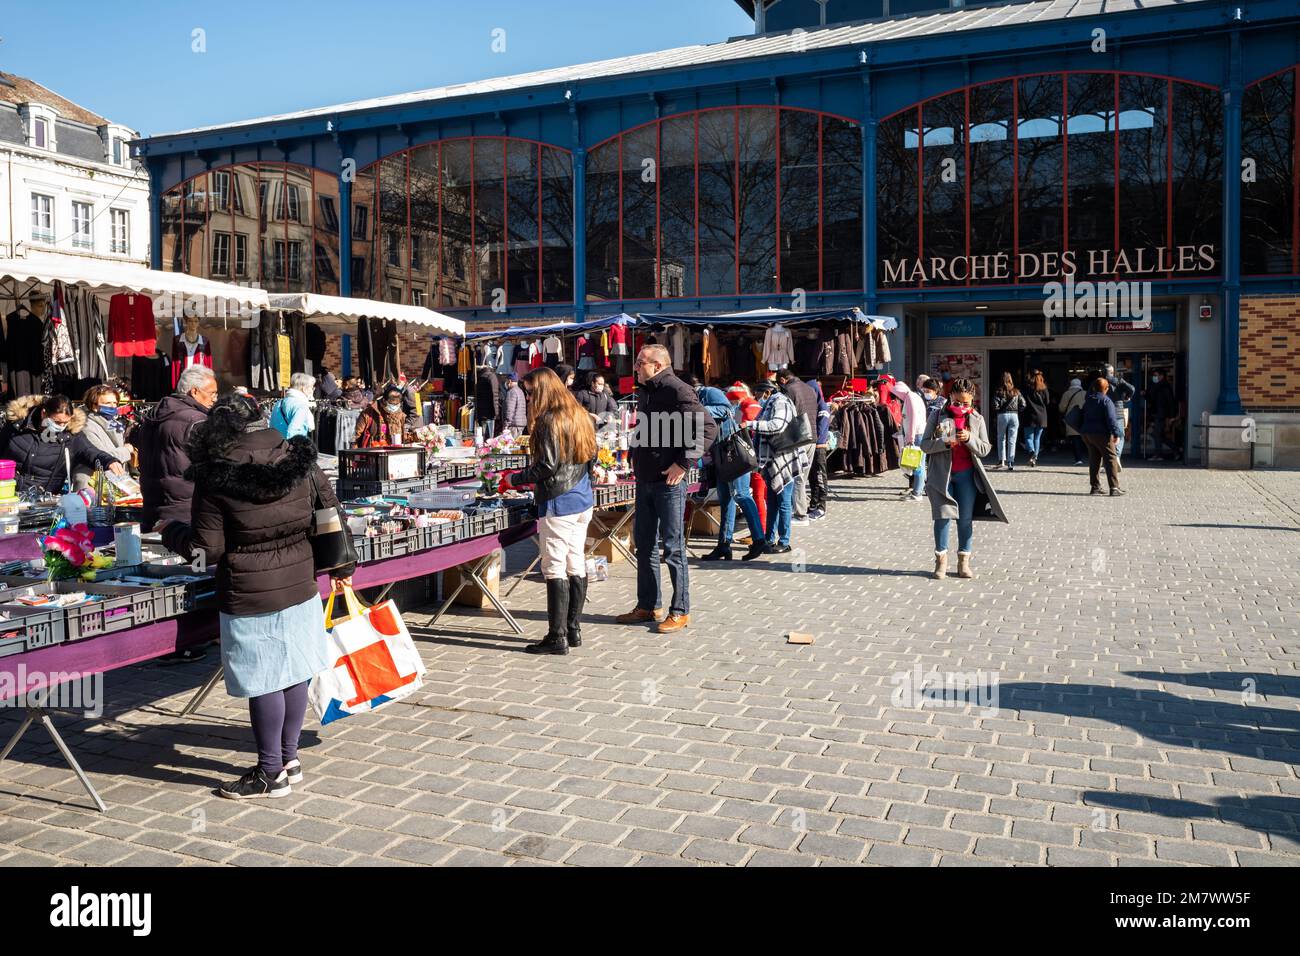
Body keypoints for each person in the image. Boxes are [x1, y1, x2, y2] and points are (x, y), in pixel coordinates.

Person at [159, 395, 352, 799]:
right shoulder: (300, 459)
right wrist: (343, 570)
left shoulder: (216, 477)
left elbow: (204, 552)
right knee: (295, 669)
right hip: (300, 581)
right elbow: (331, 516)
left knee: (265, 678)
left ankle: (270, 772)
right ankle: (289, 758)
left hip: (249, 590)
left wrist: (171, 532)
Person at [616, 345, 715, 633]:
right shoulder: (647, 389)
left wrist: (683, 464)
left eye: (640, 362)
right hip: (645, 479)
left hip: (669, 483)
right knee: (644, 545)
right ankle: (648, 605)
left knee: (673, 547)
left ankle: (680, 610)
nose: (635, 367)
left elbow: (708, 429)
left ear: (657, 365)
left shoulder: (678, 390)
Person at [502, 368, 595, 655]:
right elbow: (591, 456)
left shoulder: (548, 420)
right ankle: (573, 629)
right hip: (582, 498)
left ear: (541, 390)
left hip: (559, 500)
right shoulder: (578, 413)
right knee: (575, 562)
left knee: (554, 566)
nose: (527, 397)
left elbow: (547, 466)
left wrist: (513, 479)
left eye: (529, 392)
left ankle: (557, 637)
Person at [920, 377, 1008, 580]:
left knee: (965, 519)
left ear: (972, 401)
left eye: (965, 403)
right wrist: (944, 444)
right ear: (950, 397)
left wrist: (970, 439)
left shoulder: (977, 419)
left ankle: (963, 562)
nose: (960, 406)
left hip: (967, 476)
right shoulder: (937, 415)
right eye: (957, 402)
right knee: (942, 517)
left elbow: (985, 448)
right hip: (942, 476)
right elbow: (925, 445)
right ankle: (940, 561)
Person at [137, 365, 218, 531]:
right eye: (212, 393)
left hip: (152, 509)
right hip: (187, 513)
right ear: (194, 391)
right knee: (196, 558)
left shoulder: (150, 418)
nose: (215, 399)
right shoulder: (197, 421)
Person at [0, 394, 124, 494]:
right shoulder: (16, 426)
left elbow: (91, 452)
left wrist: (110, 461)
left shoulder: (71, 435)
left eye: (65, 422)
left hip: (44, 499)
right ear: (44, 413)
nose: (61, 426)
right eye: (57, 422)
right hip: (8, 493)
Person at [699, 385, 762, 562]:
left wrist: (696, 409)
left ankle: (759, 539)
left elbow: (726, 409)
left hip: (733, 453)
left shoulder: (709, 392)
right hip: (719, 455)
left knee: (741, 495)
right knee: (725, 499)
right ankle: (723, 546)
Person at [743, 379, 801, 559]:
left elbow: (778, 425)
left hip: (782, 460)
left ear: (766, 392)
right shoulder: (772, 402)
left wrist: (752, 424)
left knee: (783, 502)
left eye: (758, 394)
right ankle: (769, 538)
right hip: (772, 461)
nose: (756, 398)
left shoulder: (780, 402)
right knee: (773, 501)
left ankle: (784, 541)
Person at [774, 368, 819, 526]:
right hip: (812, 436)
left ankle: (800, 515)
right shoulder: (810, 389)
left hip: (798, 438)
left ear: (783, 380)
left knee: (797, 477)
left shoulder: (789, 390)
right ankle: (800, 509)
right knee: (803, 476)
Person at [73, 385, 135, 490]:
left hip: (112, 484)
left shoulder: (114, 425)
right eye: (107, 403)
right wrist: (126, 451)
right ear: (94, 406)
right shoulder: (86, 426)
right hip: (92, 486)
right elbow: (100, 457)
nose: (112, 406)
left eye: (115, 403)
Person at [727, 382, 767, 536]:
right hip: (758, 455)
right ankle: (764, 531)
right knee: (760, 494)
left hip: (755, 457)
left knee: (758, 495)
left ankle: (761, 532)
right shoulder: (752, 405)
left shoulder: (748, 407)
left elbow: (744, 429)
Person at [1080, 377, 1125, 496]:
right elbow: (1111, 420)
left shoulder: (1089, 400)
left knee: (1094, 460)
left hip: (1087, 433)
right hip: (1101, 434)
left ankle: (1095, 487)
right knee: (1111, 459)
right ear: (1106, 388)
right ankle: (1114, 488)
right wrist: (1116, 433)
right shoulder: (1106, 401)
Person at [891, 380, 927, 502]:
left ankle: (917, 493)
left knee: (917, 464)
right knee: (919, 464)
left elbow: (912, 419)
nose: (897, 397)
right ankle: (919, 490)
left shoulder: (910, 398)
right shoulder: (912, 396)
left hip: (916, 435)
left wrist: (910, 438)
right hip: (918, 434)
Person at [806, 377, 832, 521]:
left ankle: (821, 507)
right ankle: (813, 504)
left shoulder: (822, 408)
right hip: (813, 445)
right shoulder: (816, 406)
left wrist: (818, 443)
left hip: (819, 446)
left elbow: (822, 428)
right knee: (813, 478)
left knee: (820, 477)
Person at [991, 372, 1025, 471]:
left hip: (1002, 415)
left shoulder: (999, 391)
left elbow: (995, 404)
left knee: (1001, 438)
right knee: (1012, 439)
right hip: (1014, 416)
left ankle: (1001, 461)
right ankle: (1011, 462)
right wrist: (1017, 411)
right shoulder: (1016, 392)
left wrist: (998, 410)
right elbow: (1023, 404)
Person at [1102, 363, 1136, 458]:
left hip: (1103, 413)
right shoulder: (1118, 382)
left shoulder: (1099, 382)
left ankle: (1108, 460)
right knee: (1120, 436)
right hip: (1117, 413)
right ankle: (1115, 457)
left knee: (1106, 437)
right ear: (1112, 372)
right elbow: (1132, 389)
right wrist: (1127, 397)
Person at [270, 372, 316, 441]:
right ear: (304, 388)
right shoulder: (301, 406)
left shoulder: (279, 402)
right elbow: (294, 431)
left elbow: (272, 425)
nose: (312, 391)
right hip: (289, 447)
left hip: (275, 444)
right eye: (312, 388)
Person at [1145, 369, 1178, 460]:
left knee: (1156, 434)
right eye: (1154, 375)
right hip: (1158, 414)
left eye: (1156, 375)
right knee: (1158, 434)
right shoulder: (1156, 386)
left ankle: (1159, 454)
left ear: (1161, 376)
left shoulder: (1164, 387)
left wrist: (1171, 416)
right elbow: (1151, 398)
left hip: (1162, 414)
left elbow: (1170, 402)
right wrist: (1145, 394)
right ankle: (1176, 449)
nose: (1154, 377)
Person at [1022, 370, 1051, 468]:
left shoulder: (1027, 388)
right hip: (1042, 416)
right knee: (1037, 438)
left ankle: (1032, 452)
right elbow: (1047, 401)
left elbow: (1023, 401)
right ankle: (1035, 457)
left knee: (1028, 437)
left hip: (1029, 415)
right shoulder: (1044, 388)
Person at [1058, 378, 1087, 465]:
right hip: (1084, 418)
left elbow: (1061, 408)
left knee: (1076, 438)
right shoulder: (1086, 393)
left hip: (1072, 419)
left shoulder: (1067, 393)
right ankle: (1089, 456)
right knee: (1085, 438)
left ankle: (1078, 459)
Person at [475, 365, 501, 436]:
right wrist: (497, 413)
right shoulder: (491, 377)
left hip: (481, 412)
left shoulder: (478, 378)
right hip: (490, 413)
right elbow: (495, 395)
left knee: (482, 436)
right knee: (490, 437)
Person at [500, 373, 528, 438]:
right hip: (520, 424)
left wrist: (506, 425)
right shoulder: (520, 391)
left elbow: (509, 410)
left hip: (513, 425)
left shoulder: (511, 392)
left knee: (512, 446)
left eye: (506, 381)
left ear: (509, 381)